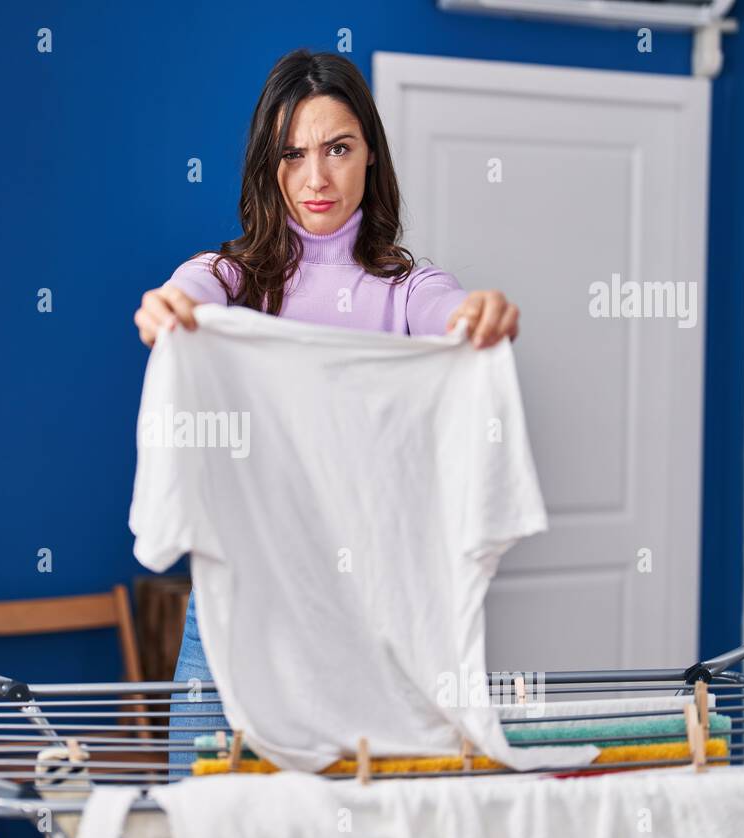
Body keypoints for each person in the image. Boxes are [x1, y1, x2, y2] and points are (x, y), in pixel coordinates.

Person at [134, 49, 520, 777]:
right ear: (266, 166)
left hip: (368, 634)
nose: (316, 178)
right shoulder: (230, 278)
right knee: (205, 836)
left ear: (370, 154)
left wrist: (476, 315)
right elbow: (189, 293)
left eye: (338, 149)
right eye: (293, 154)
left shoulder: (409, 289)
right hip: (229, 624)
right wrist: (171, 308)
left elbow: (450, 314)